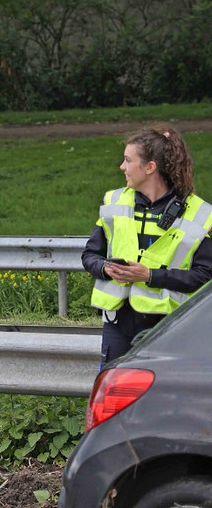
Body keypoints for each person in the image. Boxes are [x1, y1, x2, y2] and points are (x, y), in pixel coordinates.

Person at [83, 126, 212, 364]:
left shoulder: (200, 214)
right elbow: (90, 254)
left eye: (128, 160)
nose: (122, 167)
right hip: (118, 324)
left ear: (149, 167)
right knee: (114, 397)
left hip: (170, 327)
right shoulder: (115, 200)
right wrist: (105, 268)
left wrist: (150, 276)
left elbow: (204, 277)